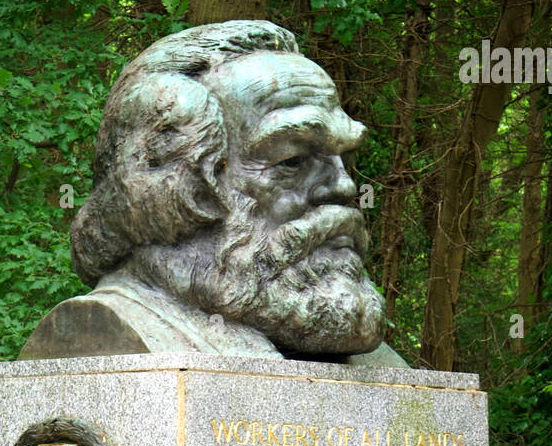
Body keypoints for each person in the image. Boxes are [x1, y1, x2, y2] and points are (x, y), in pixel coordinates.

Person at [20, 20, 407, 368]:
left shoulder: (373, 360)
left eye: (342, 158)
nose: (344, 186)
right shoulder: (98, 333)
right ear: (174, 188)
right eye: (292, 161)